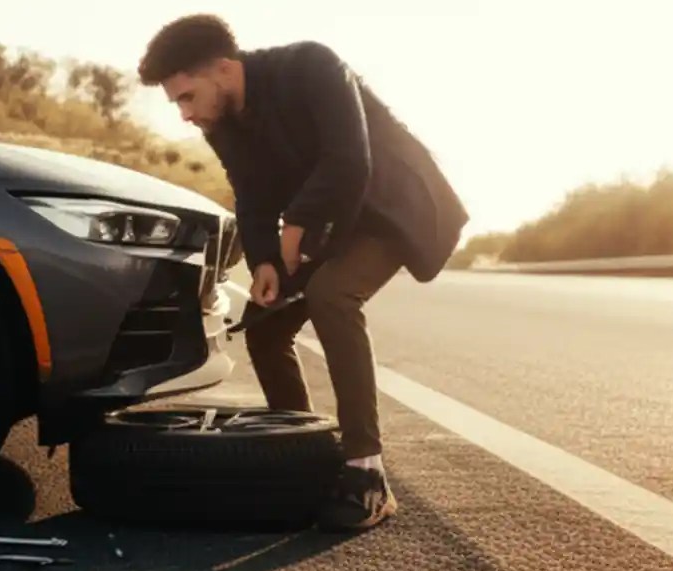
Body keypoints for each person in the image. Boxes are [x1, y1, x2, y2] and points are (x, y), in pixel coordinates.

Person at [138, 14, 468, 531]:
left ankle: (366, 472)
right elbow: (250, 194)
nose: (184, 115)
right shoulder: (219, 121)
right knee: (265, 327)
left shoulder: (312, 64)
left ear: (223, 70)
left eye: (186, 97)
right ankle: (307, 455)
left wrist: (296, 226)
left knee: (333, 295)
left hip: (388, 210)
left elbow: (350, 161)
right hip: (323, 220)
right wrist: (266, 259)